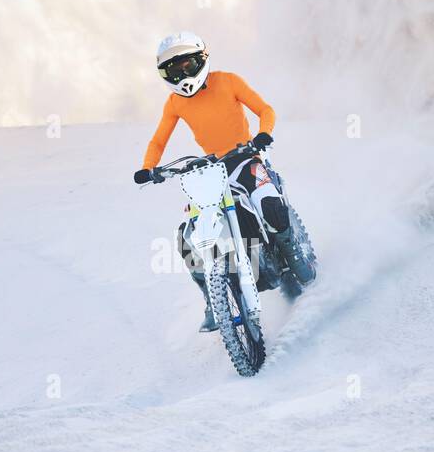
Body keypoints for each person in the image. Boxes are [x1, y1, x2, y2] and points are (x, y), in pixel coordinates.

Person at [133, 32, 313, 331]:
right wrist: (148, 168)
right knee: (188, 233)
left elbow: (265, 110)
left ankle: (294, 257)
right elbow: (158, 140)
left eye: (187, 66)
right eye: (173, 71)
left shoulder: (228, 81)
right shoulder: (174, 103)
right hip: (211, 172)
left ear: (202, 60)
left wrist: (263, 134)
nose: (182, 75)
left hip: (245, 157)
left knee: (268, 202)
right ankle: (211, 300)